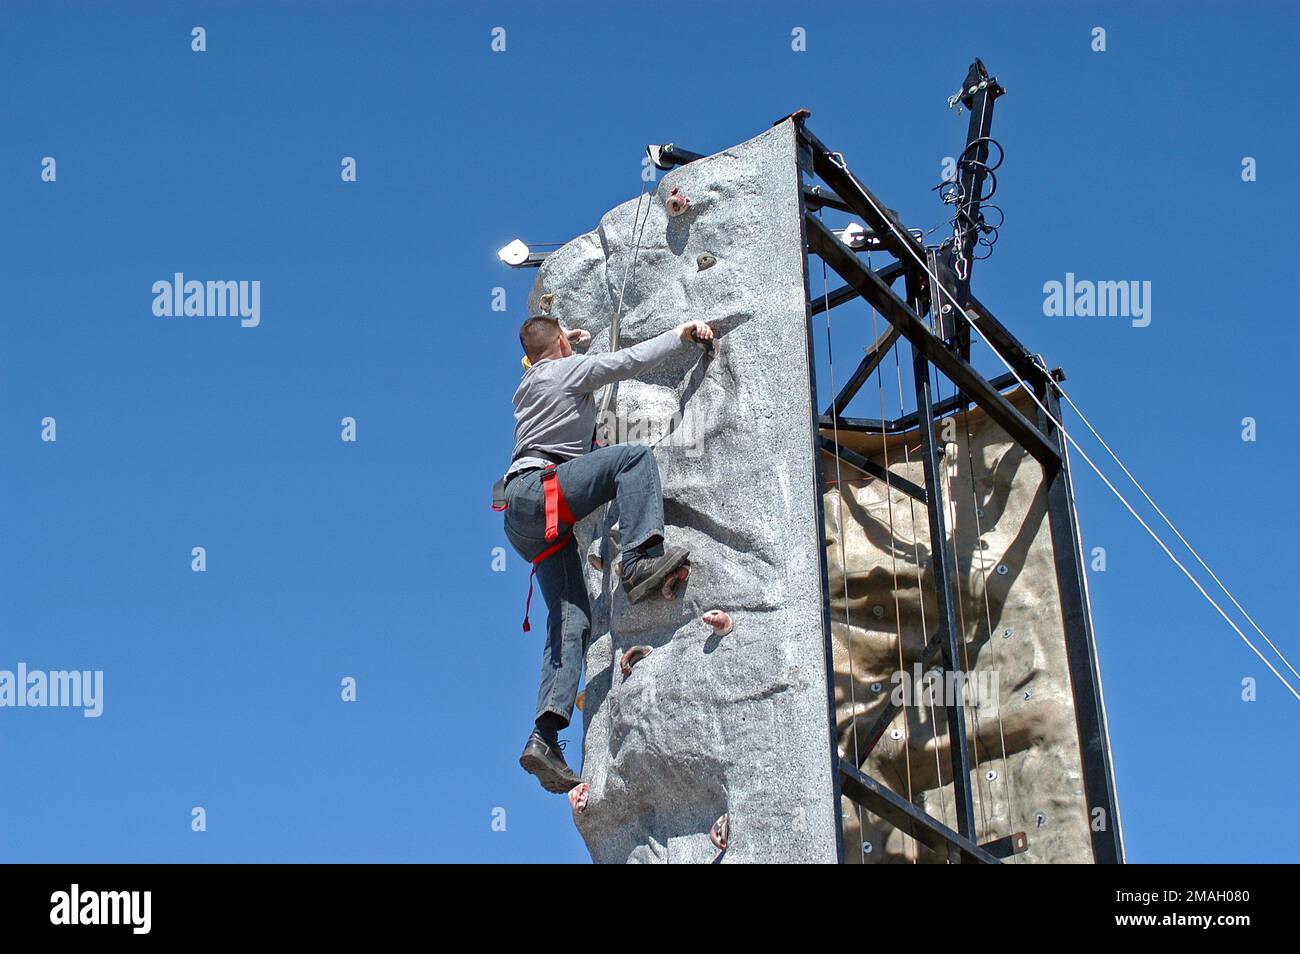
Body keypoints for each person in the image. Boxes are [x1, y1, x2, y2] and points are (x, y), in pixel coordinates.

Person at [500, 315, 714, 794]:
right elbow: (626, 362)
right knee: (633, 459)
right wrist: (679, 335)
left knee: (572, 619)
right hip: (545, 493)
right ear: (558, 345)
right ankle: (638, 560)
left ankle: (545, 735)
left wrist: (563, 342)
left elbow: (537, 357)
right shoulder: (564, 371)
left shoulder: (532, 379)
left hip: (524, 517)